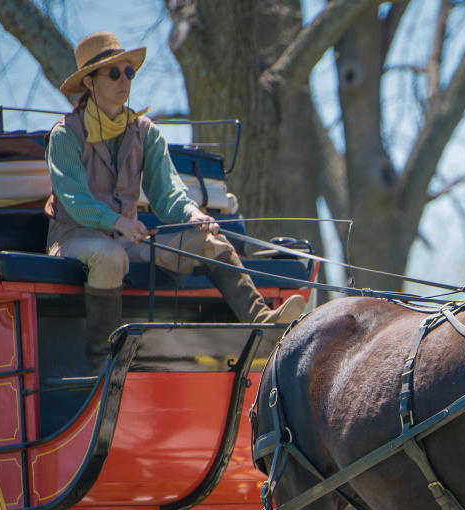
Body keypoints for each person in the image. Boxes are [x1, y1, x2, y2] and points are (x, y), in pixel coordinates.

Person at [45, 31, 305, 367]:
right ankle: (102, 361)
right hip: (75, 239)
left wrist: (193, 214)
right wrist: (119, 222)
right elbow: (76, 201)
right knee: (108, 257)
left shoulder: (145, 132)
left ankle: (266, 325)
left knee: (210, 238)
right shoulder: (66, 135)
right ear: (90, 82)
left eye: (129, 72)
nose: (125, 80)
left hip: (126, 242)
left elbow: (168, 194)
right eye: (114, 73)